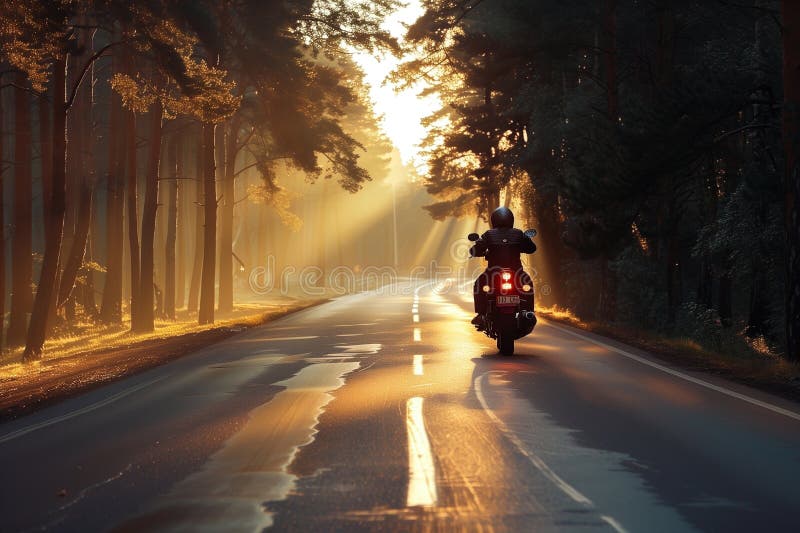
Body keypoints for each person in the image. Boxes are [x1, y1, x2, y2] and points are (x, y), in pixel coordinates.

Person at [470, 206, 536, 327]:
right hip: (516, 272)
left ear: (494, 220)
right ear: (511, 219)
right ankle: (529, 312)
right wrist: (526, 240)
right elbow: (532, 249)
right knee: (528, 285)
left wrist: (478, 247)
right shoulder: (518, 233)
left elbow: (474, 250)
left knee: (478, 284)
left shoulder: (489, 234)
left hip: (492, 273)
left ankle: (480, 314)